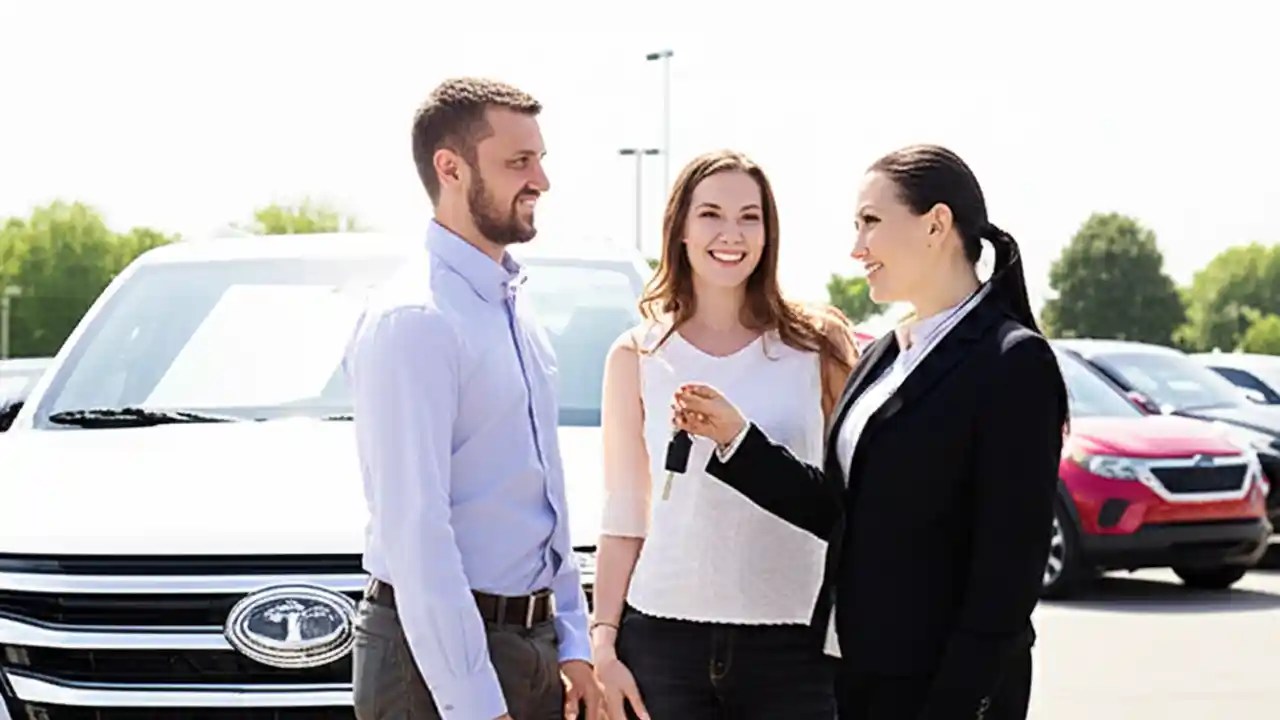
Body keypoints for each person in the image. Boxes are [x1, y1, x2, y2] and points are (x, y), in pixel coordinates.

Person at [672, 144, 1069, 719]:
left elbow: (1007, 570)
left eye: (871, 223)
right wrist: (738, 440)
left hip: (942, 691)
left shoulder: (1013, 361)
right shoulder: (886, 353)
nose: (857, 248)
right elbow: (844, 510)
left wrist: (958, 704)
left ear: (936, 225)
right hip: (855, 673)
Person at [344, 77, 603, 720]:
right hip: (433, 664)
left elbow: (545, 499)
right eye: (519, 162)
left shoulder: (515, 311)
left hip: (527, 647)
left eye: (540, 159)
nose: (541, 180)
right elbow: (418, 537)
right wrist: (474, 704)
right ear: (451, 168)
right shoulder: (416, 319)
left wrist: (571, 640)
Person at [590, 149, 860, 720]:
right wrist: (603, 642)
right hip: (661, 639)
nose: (731, 234)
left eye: (749, 217)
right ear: (681, 230)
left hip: (794, 642)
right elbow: (624, 514)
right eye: (711, 214)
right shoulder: (636, 353)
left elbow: (853, 494)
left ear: (769, 233)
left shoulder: (818, 343)